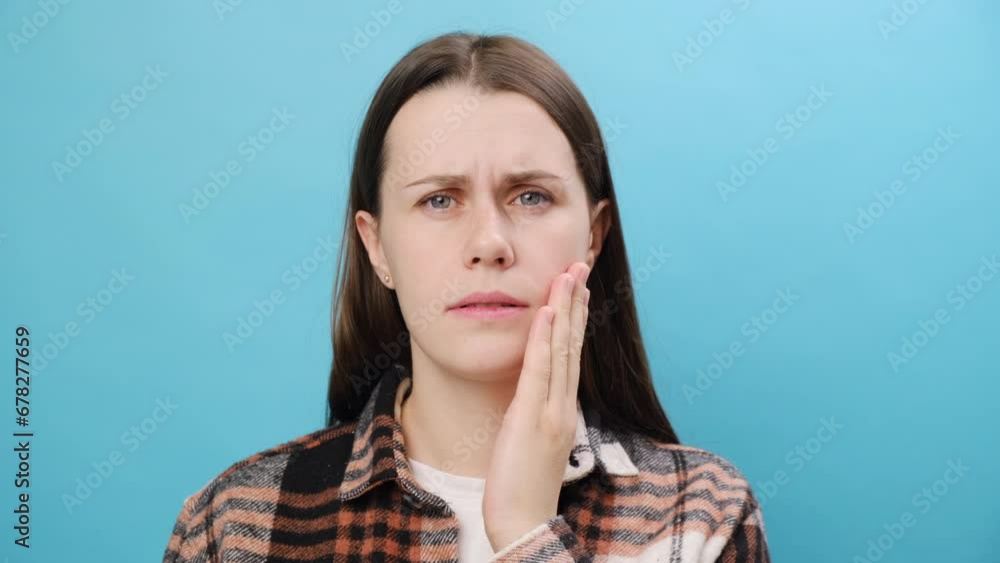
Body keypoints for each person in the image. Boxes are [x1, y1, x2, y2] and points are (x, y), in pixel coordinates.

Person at [162, 31, 771, 562]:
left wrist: (528, 534)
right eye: (439, 200)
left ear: (593, 235)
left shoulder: (702, 515)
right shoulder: (235, 526)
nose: (489, 243)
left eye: (531, 196)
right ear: (377, 248)